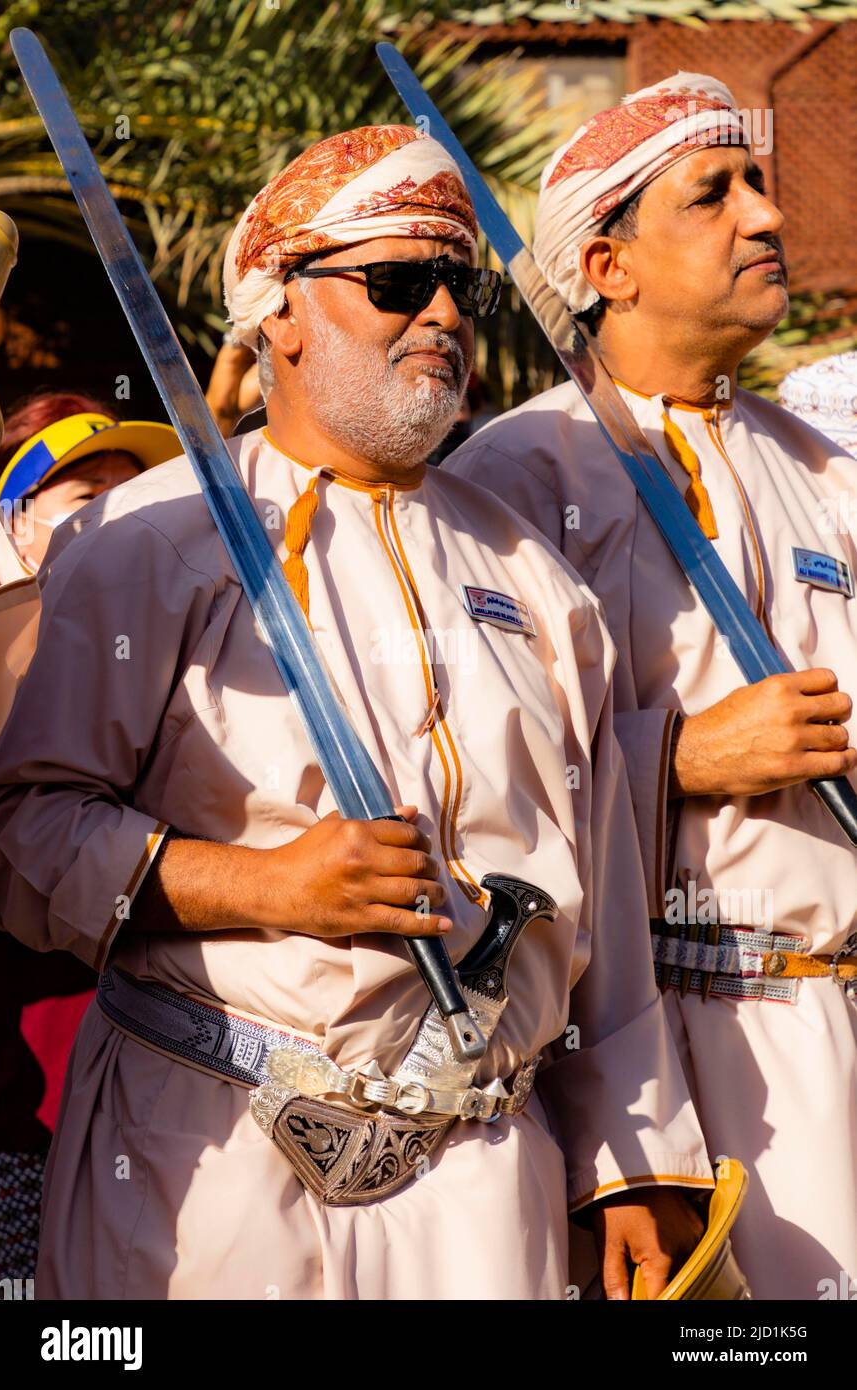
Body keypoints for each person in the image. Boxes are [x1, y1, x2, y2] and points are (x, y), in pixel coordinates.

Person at [0, 126, 711, 1301]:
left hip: (486, 1180)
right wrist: (260, 886)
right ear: (277, 312)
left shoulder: (541, 582)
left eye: (459, 284)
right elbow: (22, 840)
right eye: (394, 281)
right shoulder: (146, 542)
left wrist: (633, 1159)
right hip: (210, 1155)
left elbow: (607, 909)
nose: (440, 311)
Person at [446, 71, 857, 1299]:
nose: (764, 218)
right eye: (712, 195)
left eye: (759, 187)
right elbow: (468, 789)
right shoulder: (503, 483)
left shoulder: (826, 469)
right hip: (639, 1050)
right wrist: (675, 754)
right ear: (608, 266)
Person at [0, 392, 179, 1283]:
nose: (112, 521)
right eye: (82, 500)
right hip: (20, 1085)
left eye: (131, 500)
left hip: (149, 1096)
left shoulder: (189, 655)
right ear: (9, 524)